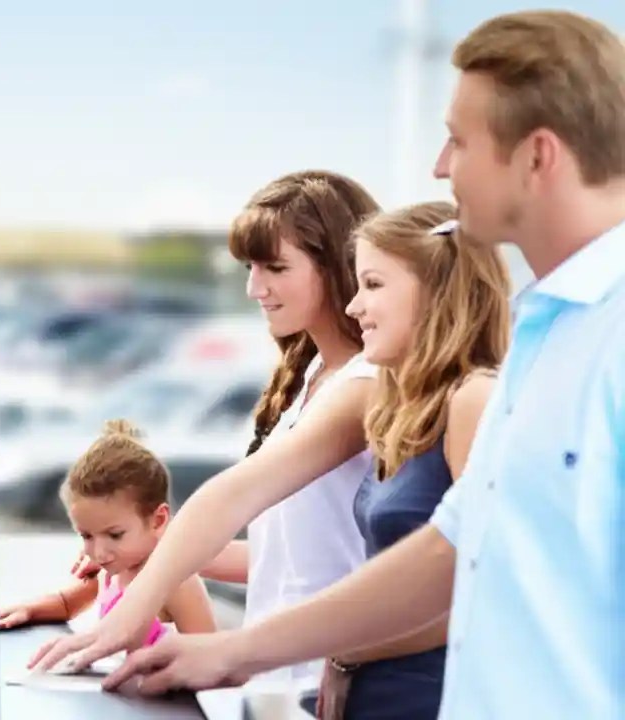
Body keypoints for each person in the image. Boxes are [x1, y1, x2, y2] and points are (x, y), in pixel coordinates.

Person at [96, 10, 625, 720]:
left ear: (537, 157)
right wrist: (232, 651)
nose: (440, 166)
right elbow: (449, 552)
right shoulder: (547, 332)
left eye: (460, 140)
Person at [31, 170, 382, 699]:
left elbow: (232, 497)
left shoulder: (365, 385)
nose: (255, 287)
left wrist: (134, 609)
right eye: (250, 267)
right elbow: (287, 559)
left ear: (337, 266)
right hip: (283, 685)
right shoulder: (313, 375)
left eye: (276, 267)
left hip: (324, 685)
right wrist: (139, 552)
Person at [312, 201, 506, 719]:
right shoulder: (400, 409)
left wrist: (350, 650)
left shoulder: (473, 400)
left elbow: (481, 589)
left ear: (438, 290)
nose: (353, 307)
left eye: (373, 284)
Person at [0, 420, 217, 640]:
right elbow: (66, 604)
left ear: (157, 520)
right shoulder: (114, 570)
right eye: (87, 536)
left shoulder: (177, 583)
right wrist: (29, 610)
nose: (99, 553)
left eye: (115, 535)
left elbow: (209, 652)